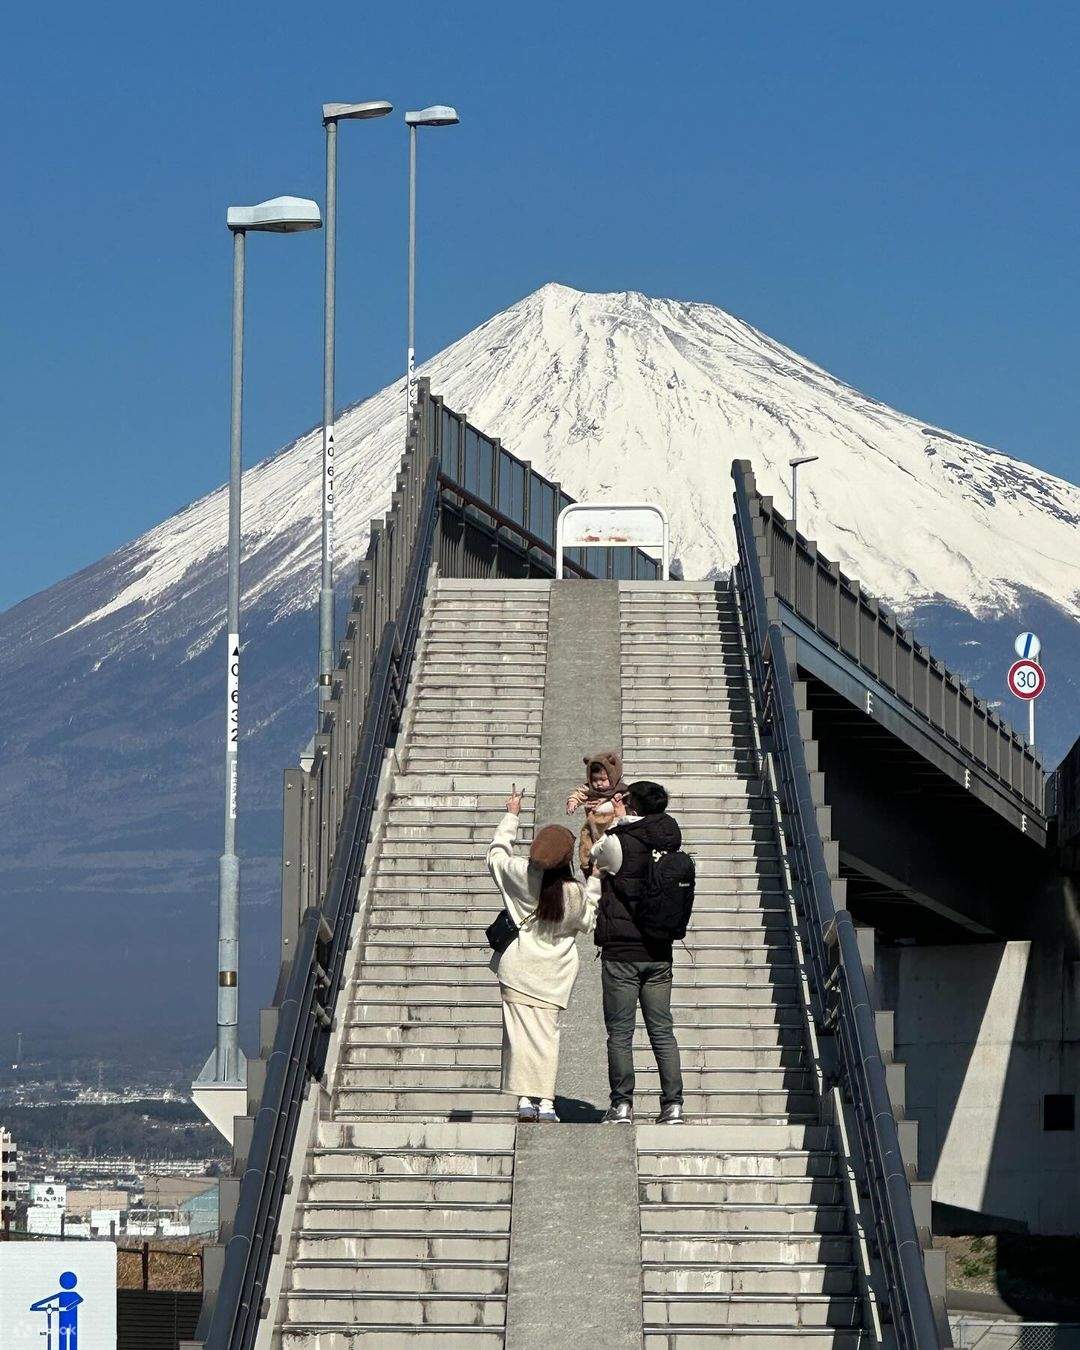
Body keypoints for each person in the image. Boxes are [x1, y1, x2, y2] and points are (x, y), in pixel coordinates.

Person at [488, 785, 600, 1123]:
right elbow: (590, 919)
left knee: (519, 1038)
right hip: (554, 976)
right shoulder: (573, 893)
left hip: (518, 969)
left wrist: (512, 814)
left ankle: (524, 1100)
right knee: (547, 1038)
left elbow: (496, 855)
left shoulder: (520, 874)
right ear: (567, 859)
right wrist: (594, 881)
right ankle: (547, 1104)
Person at [592, 779, 686, 1125]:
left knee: (620, 1033)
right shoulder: (672, 843)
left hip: (622, 953)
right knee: (662, 1030)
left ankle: (622, 1106)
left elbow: (593, 856)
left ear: (633, 806)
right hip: (660, 951)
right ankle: (673, 1105)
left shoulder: (618, 843)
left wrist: (615, 821)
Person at [565, 750, 630, 873]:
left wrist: (609, 799)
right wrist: (572, 803)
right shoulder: (589, 789)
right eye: (594, 779)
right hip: (593, 827)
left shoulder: (620, 789)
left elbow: (627, 796)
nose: (599, 783)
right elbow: (578, 794)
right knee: (586, 846)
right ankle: (587, 867)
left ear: (613, 775)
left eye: (603, 779)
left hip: (612, 828)